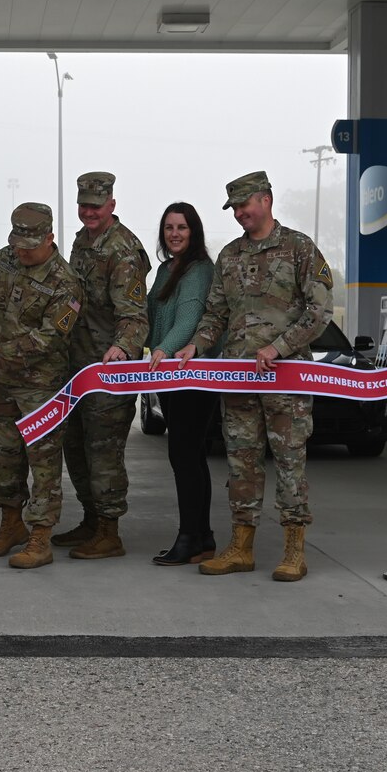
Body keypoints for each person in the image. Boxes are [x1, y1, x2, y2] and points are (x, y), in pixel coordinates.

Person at [174, 171, 334, 582]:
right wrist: (197, 344)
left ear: (266, 200)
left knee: (289, 463)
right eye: (235, 208)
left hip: (286, 380)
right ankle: (241, 548)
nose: (240, 213)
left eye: (246, 205)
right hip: (239, 380)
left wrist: (278, 348)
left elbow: (319, 312)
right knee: (241, 464)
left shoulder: (299, 248)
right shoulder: (229, 256)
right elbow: (216, 314)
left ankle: (294, 550)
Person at [0, 202, 83, 569]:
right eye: (18, 244)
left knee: (43, 464)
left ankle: (40, 536)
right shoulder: (6, 259)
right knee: (4, 458)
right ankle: (11, 524)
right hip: (4, 386)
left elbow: (52, 339)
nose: (22, 252)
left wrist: (2, 350)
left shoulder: (66, 283)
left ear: (50, 238)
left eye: (30, 246)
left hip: (41, 390)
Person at [54, 171, 150, 559]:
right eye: (83, 206)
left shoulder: (123, 250)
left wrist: (122, 349)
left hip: (108, 372)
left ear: (112, 204)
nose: (88, 213)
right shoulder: (82, 242)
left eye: (95, 206)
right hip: (77, 368)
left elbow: (135, 315)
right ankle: (92, 520)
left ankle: (110, 531)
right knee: (75, 446)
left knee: (104, 451)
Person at [145, 202, 220, 566]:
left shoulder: (199, 270)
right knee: (189, 457)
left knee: (184, 456)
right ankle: (202, 538)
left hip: (193, 376)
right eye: (169, 227)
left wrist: (162, 348)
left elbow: (189, 317)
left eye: (182, 227)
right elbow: (150, 314)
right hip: (169, 375)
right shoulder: (165, 269)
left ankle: (190, 537)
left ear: (194, 232)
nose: (174, 234)